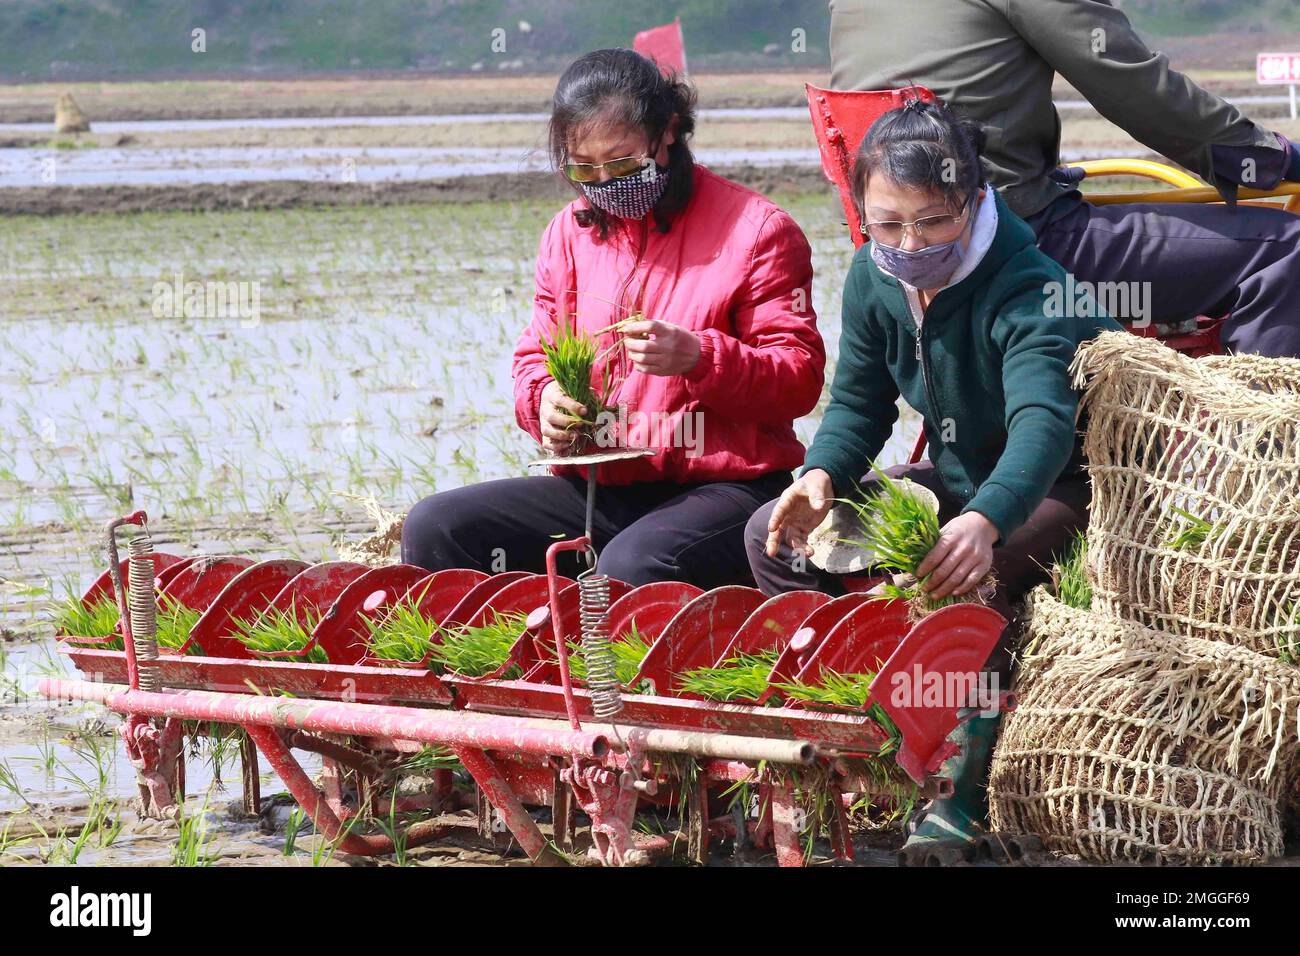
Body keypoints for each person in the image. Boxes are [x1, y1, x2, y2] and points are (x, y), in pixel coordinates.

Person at [744, 99, 1121, 848]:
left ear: (975, 201)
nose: (910, 243)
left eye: (934, 222)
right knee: (772, 535)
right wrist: (821, 474)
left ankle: (962, 789)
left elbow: (1042, 425)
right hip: (955, 478)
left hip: (1051, 489)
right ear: (862, 213)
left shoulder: (1032, 286)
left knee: (960, 576)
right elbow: (857, 401)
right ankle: (860, 723)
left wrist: (986, 521)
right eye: (888, 223)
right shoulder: (873, 276)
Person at [401, 49, 825, 588]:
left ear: (667, 131)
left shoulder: (757, 231)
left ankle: (642, 658)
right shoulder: (568, 232)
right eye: (584, 169)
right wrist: (543, 403)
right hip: (599, 485)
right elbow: (537, 354)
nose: (605, 182)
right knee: (437, 525)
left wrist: (700, 357)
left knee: (632, 562)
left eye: (623, 164)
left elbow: (799, 380)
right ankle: (503, 664)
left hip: (725, 491)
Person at [828, 0, 1300, 358]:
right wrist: (1265, 157)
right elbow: (1134, 86)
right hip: (1017, 247)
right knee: (1282, 250)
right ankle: (1258, 466)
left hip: (900, 259)